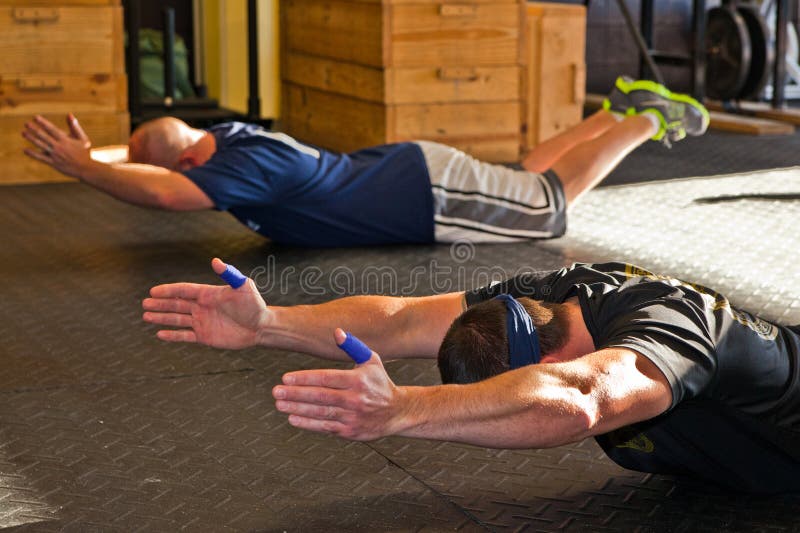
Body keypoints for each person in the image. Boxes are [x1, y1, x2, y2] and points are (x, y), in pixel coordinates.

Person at [141, 258, 800, 494]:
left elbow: (582, 399)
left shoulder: (666, 332)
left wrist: (404, 409)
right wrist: (268, 325)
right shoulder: (549, 296)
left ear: (545, 366)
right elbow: (403, 320)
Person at [23, 77, 708, 246]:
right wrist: (91, 155)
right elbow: (155, 159)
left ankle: (650, 118)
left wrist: (83, 168)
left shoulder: (241, 169)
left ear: (184, 162)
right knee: (528, 175)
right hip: (414, 173)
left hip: (427, 194)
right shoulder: (225, 135)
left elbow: (165, 192)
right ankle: (613, 111)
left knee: (547, 206)